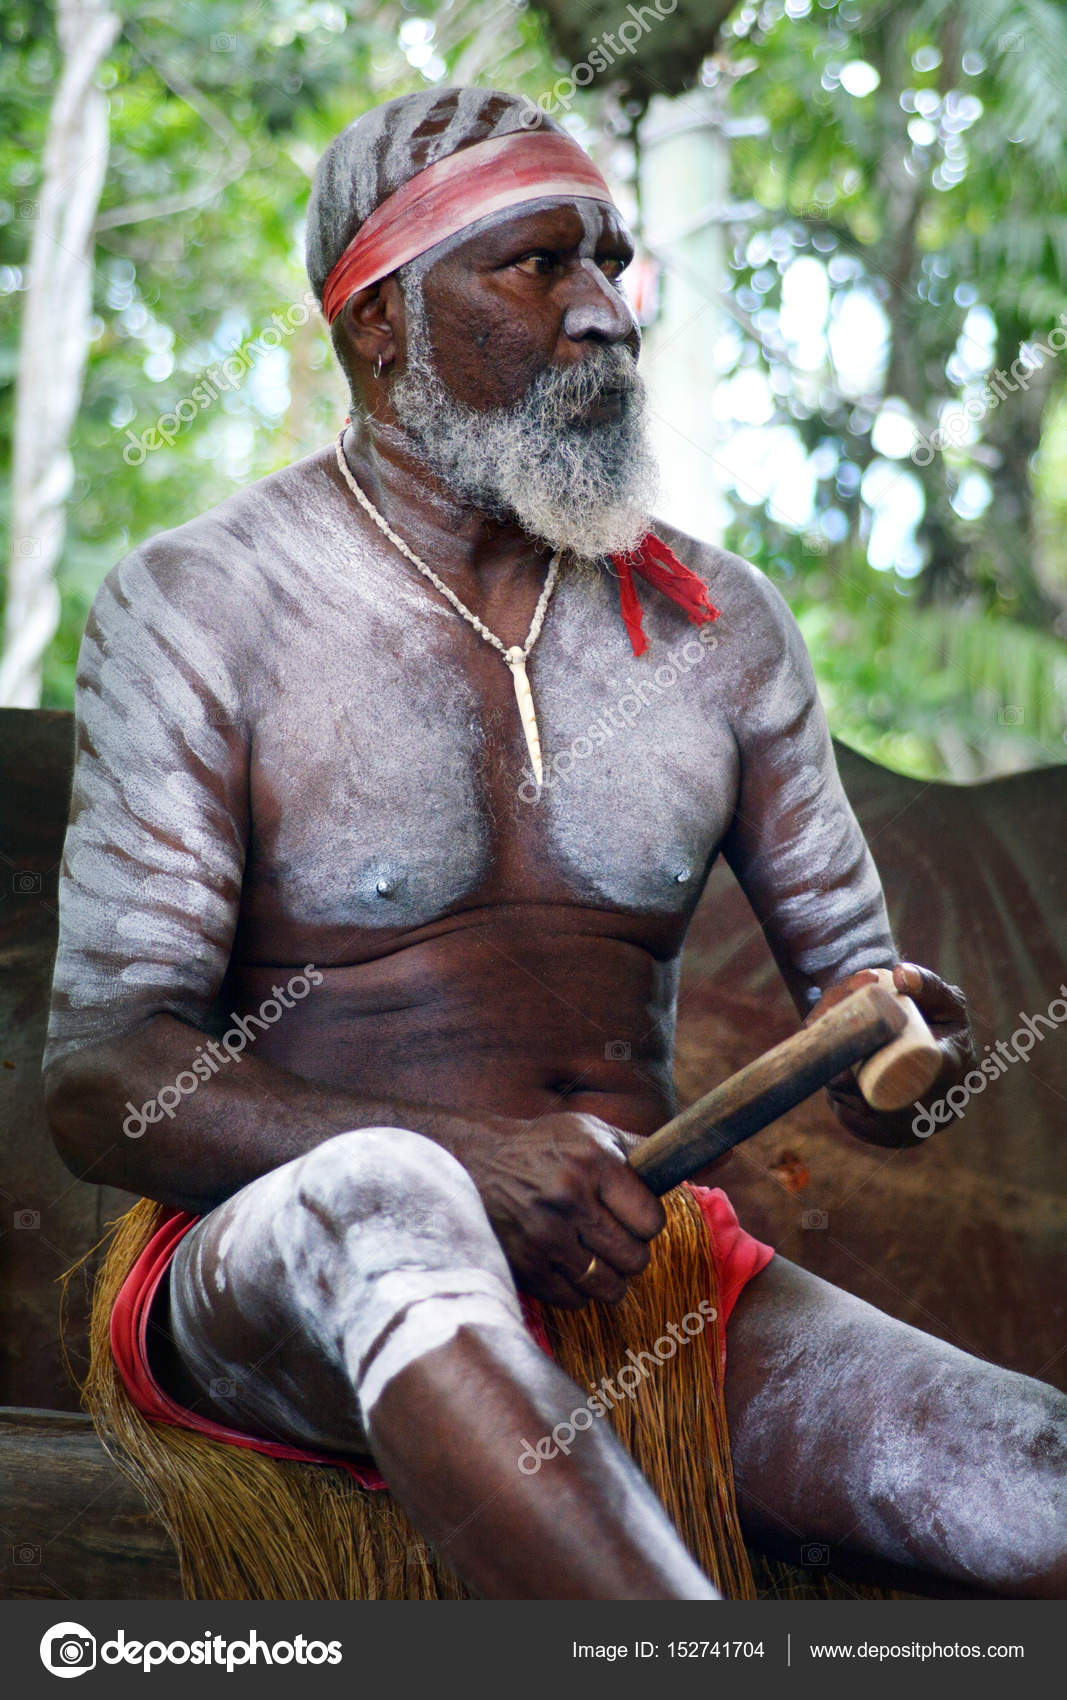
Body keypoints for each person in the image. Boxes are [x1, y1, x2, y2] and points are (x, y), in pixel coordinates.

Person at [43, 87, 1066, 1601]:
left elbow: (872, 1026)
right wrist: (462, 1161)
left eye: (613, 263)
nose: (607, 317)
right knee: (391, 1198)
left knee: (1034, 1479)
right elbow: (102, 1075)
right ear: (381, 320)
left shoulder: (719, 630)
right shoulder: (203, 604)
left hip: (635, 1285)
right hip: (285, 1270)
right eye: (538, 267)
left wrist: (903, 1058)